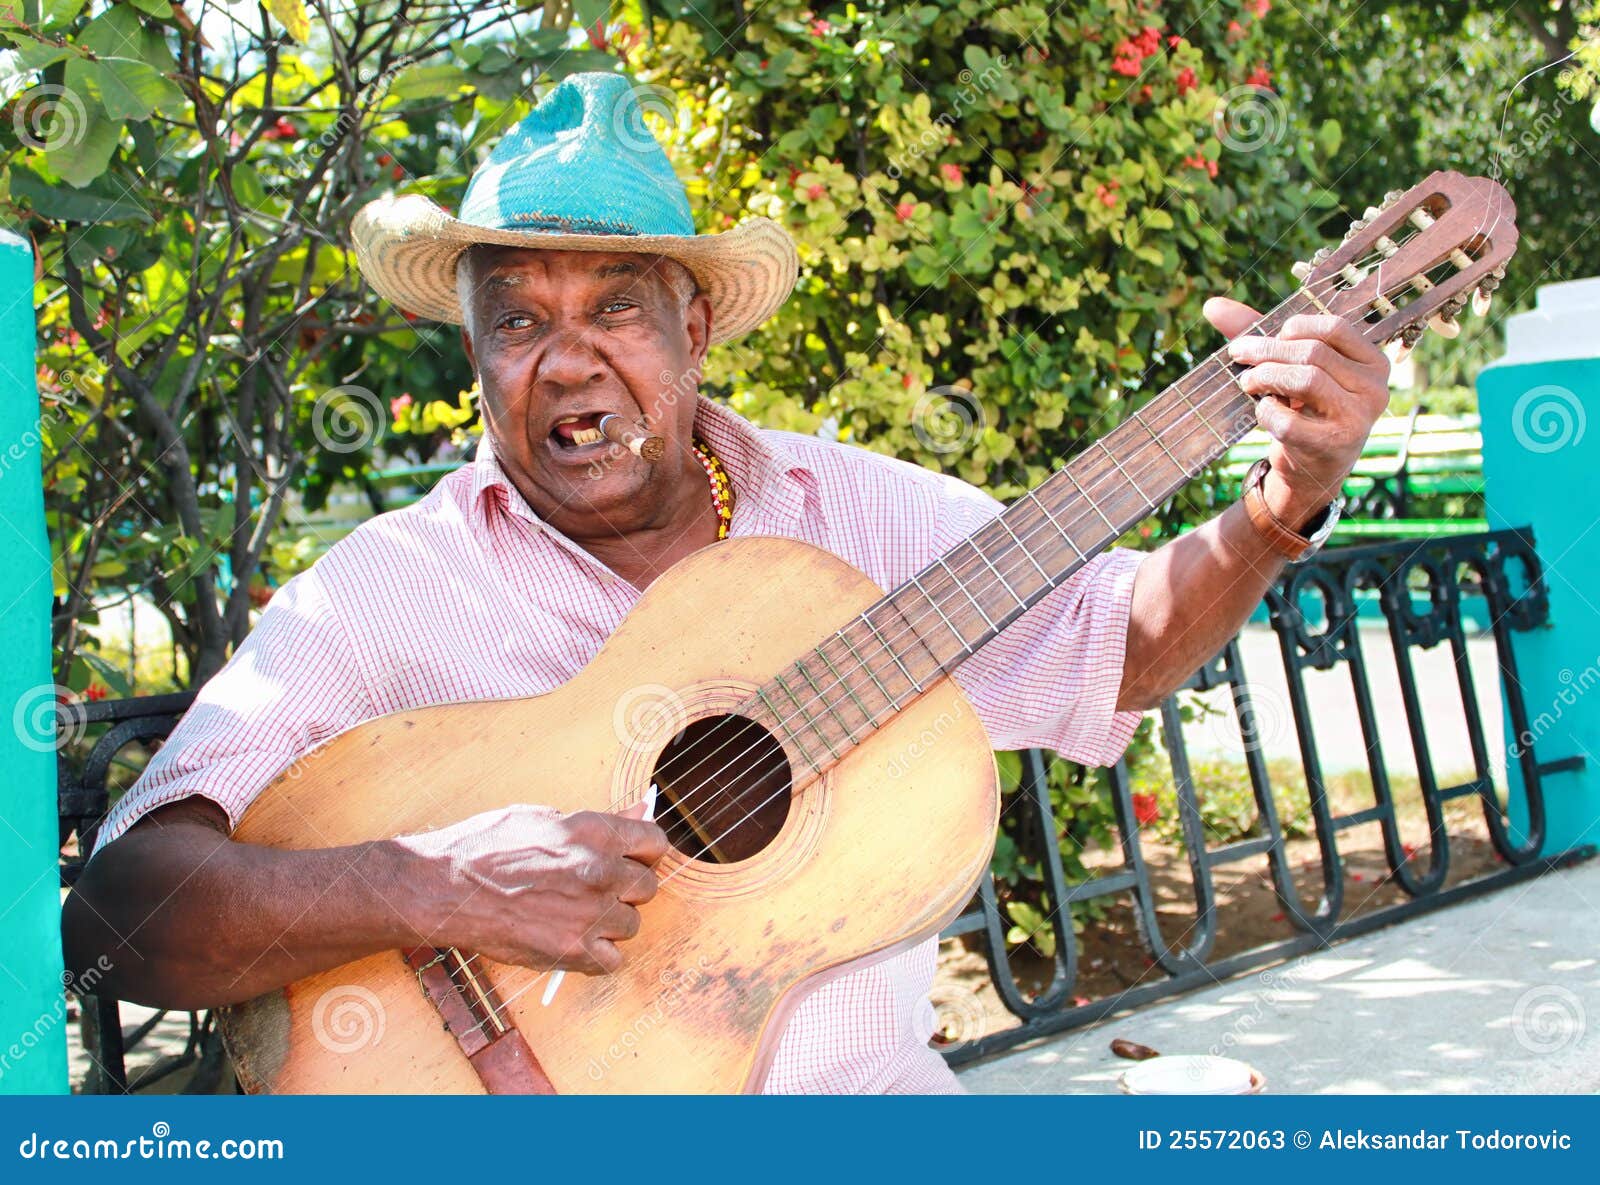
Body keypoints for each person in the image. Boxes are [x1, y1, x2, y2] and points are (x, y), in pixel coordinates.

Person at [62, 73, 1390, 1093]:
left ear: (693, 325)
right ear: (471, 350)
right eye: (518, 320)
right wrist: (430, 882)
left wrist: (1281, 505)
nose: (567, 364)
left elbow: (1119, 642)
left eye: (616, 311)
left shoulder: (864, 516)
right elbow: (128, 914)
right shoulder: (385, 589)